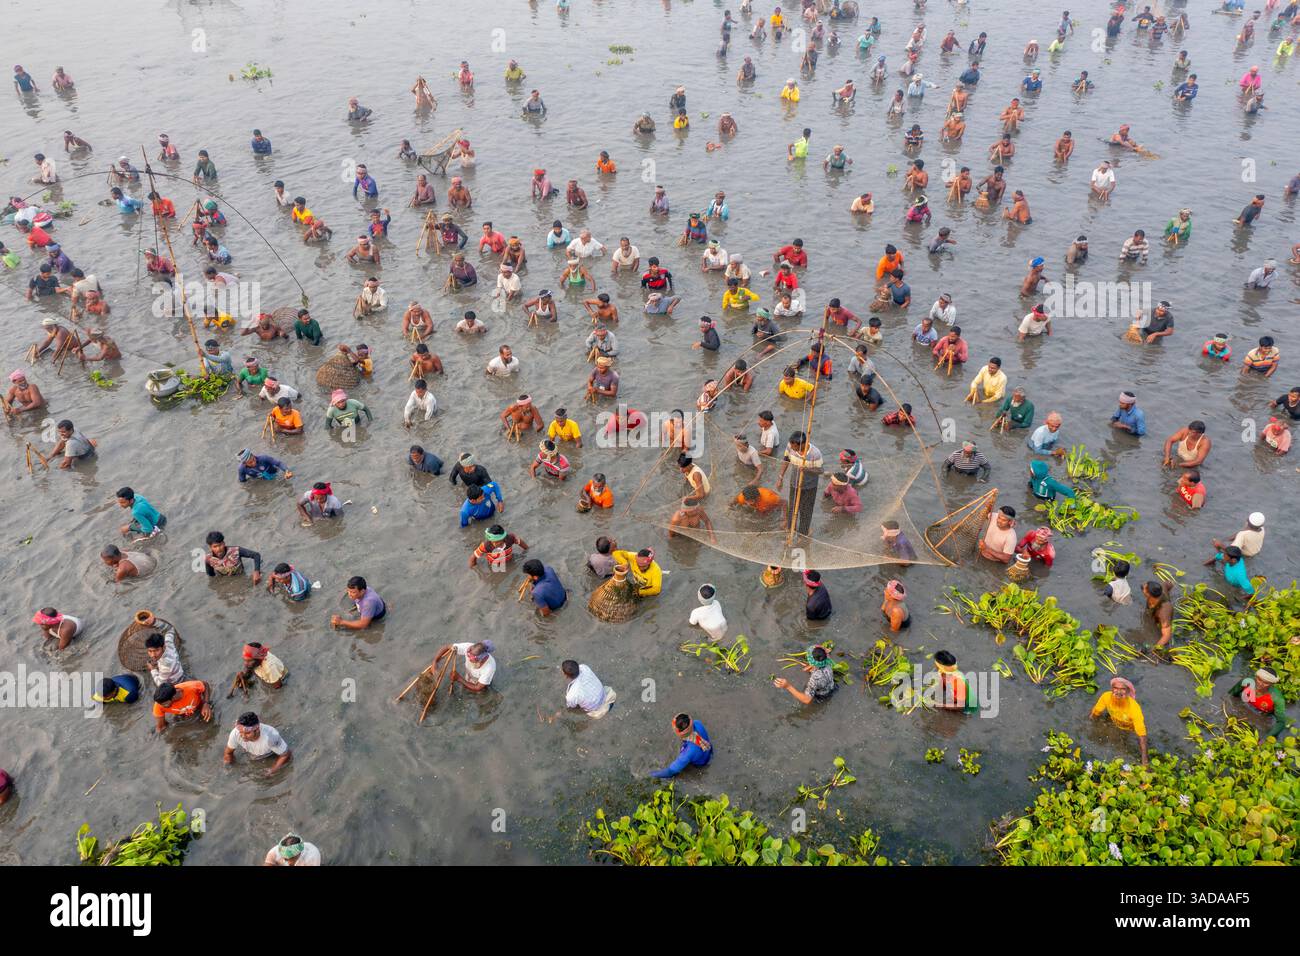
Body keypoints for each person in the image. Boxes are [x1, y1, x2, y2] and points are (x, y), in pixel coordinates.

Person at [1090, 677, 1149, 766]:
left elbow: (1142, 734)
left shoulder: (1134, 708)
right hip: (1113, 722)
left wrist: (1144, 761)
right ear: (1112, 689)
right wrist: (1091, 723)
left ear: (1128, 691)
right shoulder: (1106, 697)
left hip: (1127, 729)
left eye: (1123, 689)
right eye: (1116, 688)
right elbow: (1096, 712)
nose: (1118, 692)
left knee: (1121, 750)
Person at [1228, 669, 1291, 740]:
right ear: (1256, 677)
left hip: (1263, 715)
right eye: (1259, 679)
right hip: (1246, 706)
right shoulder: (1246, 682)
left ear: (1272, 684)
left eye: (1266, 683)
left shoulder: (1277, 699)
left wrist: (1266, 737)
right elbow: (1231, 695)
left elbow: (1281, 722)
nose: (1260, 684)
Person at [224, 712, 292, 774]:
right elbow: (228, 753)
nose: (243, 736)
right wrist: (228, 765)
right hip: (251, 754)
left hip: (269, 754)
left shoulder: (271, 737)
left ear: (257, 729)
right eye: (241, 732)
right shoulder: (235, 733)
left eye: (247, 733)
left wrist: (273, 769)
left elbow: (286, 754)